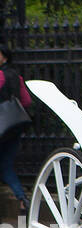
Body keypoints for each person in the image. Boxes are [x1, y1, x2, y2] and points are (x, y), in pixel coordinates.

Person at [0, 44, 33, 217]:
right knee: (5, 166)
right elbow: (26, 101)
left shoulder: (0, 75)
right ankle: (22, 199)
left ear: (4, 57)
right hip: (13, 126)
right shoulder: (16, 76)